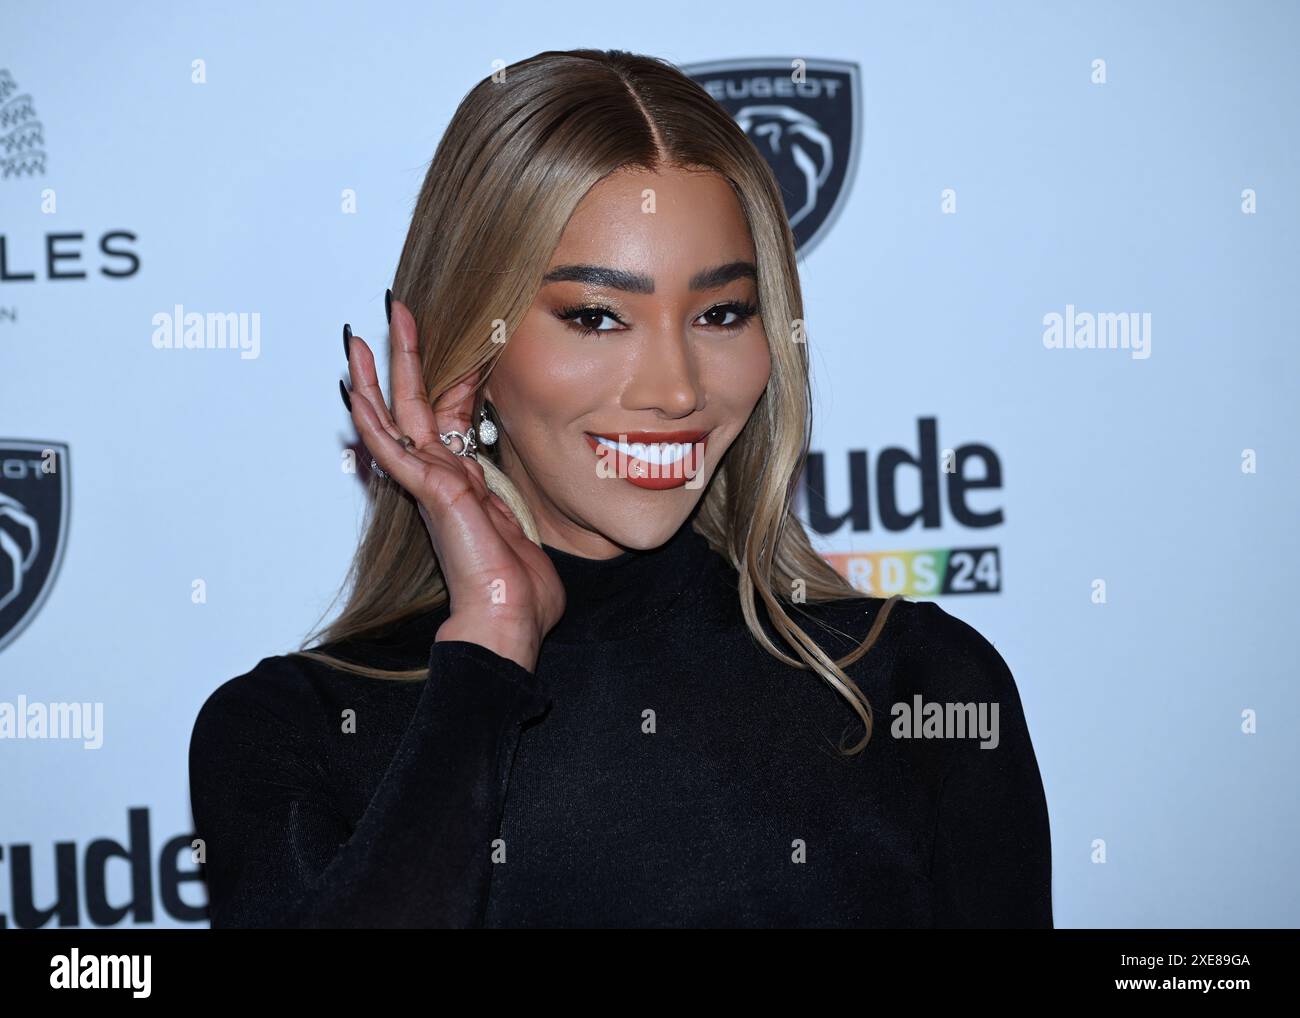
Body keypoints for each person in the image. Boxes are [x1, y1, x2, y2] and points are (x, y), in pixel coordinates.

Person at [187, 47, 1052, 929]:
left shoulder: (918, 687)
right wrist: (487, 645)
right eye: (597, 316)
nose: (676, 390)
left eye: (720, 314)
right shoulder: (289, 732)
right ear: (469, 349)